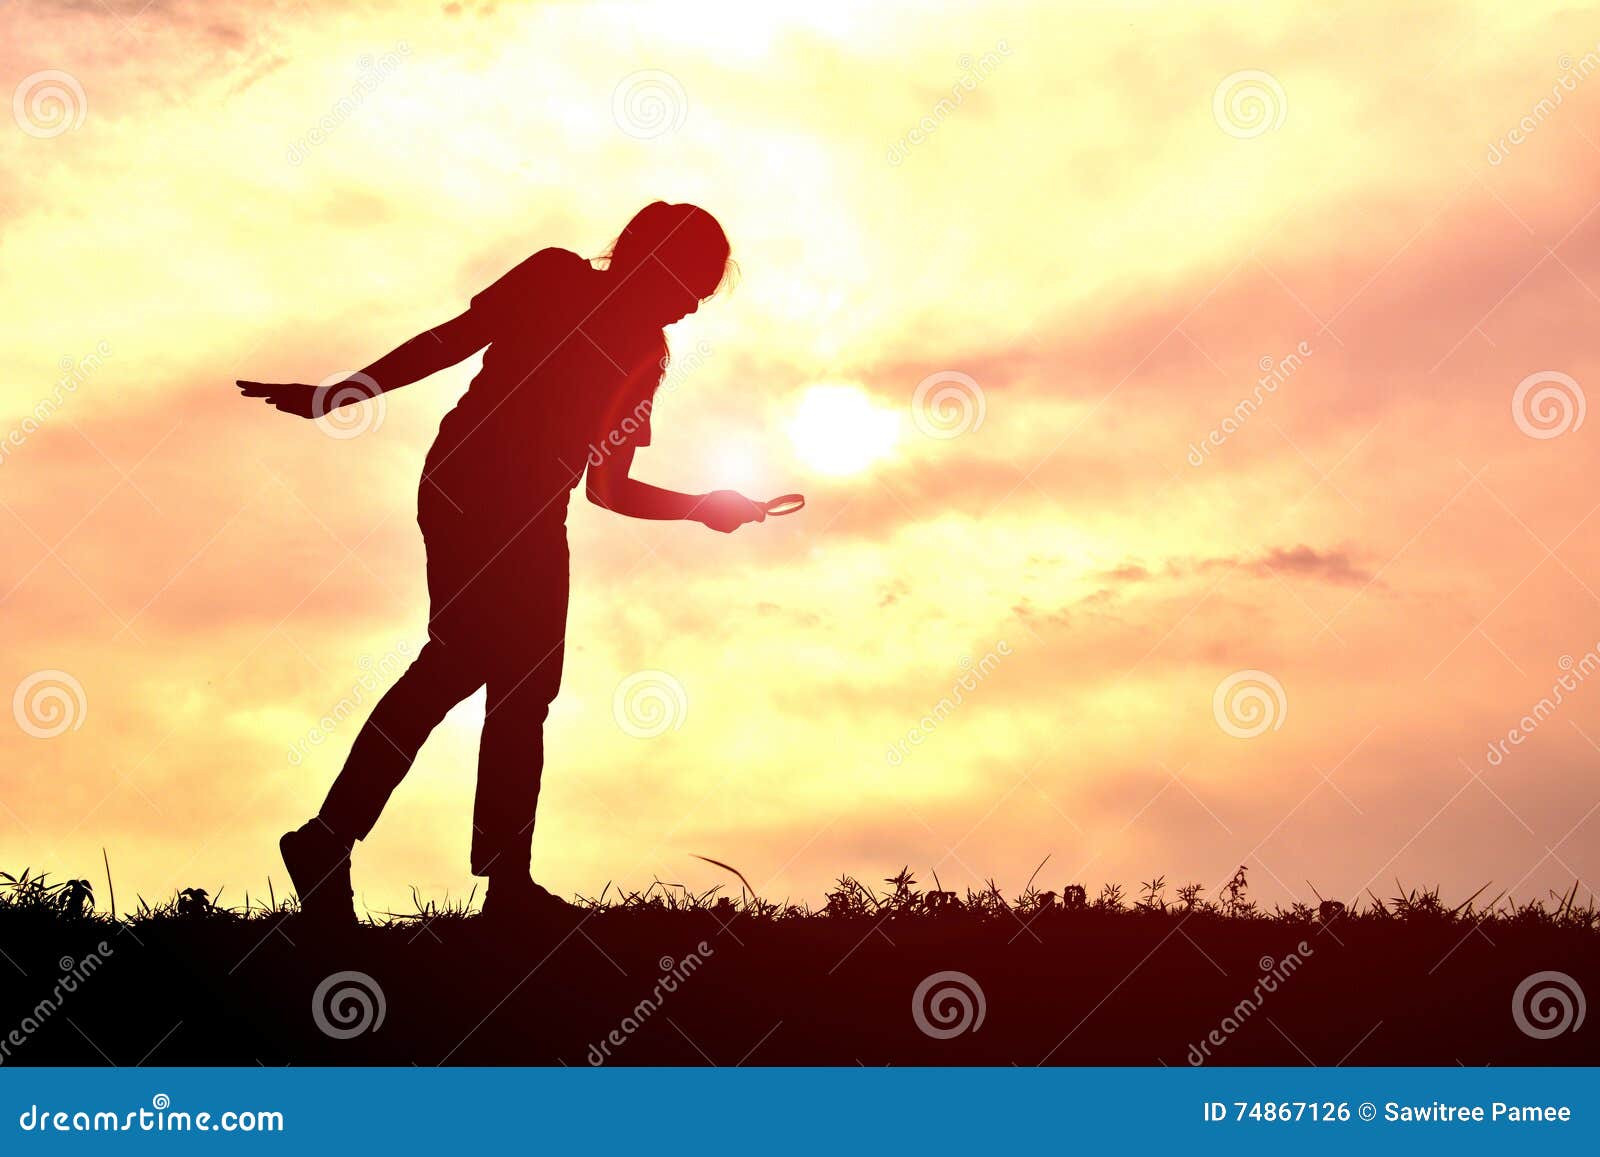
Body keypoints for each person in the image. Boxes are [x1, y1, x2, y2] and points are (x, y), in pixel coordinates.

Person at [238, 203, 768, 925]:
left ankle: (492, 880)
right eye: (687, 285)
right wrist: (342, 393)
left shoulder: (650, 357)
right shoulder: (553, 276)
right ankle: (341, 842)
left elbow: (606, 489)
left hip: (537, 516)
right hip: (469, 490)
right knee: (460, 663)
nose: (689, 307)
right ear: (649, 260)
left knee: (522, 688)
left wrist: (702, 504)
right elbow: (450, 341)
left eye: (700, 295)